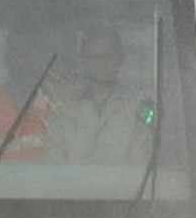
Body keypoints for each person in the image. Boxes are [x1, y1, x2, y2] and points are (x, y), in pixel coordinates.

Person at [45, 25, 155, 165]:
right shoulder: (63, 109)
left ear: (120, 59)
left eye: (108, 55)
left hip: (127, 187)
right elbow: (53, 163)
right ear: (83, 61)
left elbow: (143, 162)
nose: (101, 62)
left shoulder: (141, 108)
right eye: (93, 56)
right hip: (69, 187)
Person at [0, 27, 55, 162]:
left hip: (47, 182)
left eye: (27, 54)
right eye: (15, 53)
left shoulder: (55, 101)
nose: (21, 61)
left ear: (38, 58)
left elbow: (67, 154)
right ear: (6, 59)